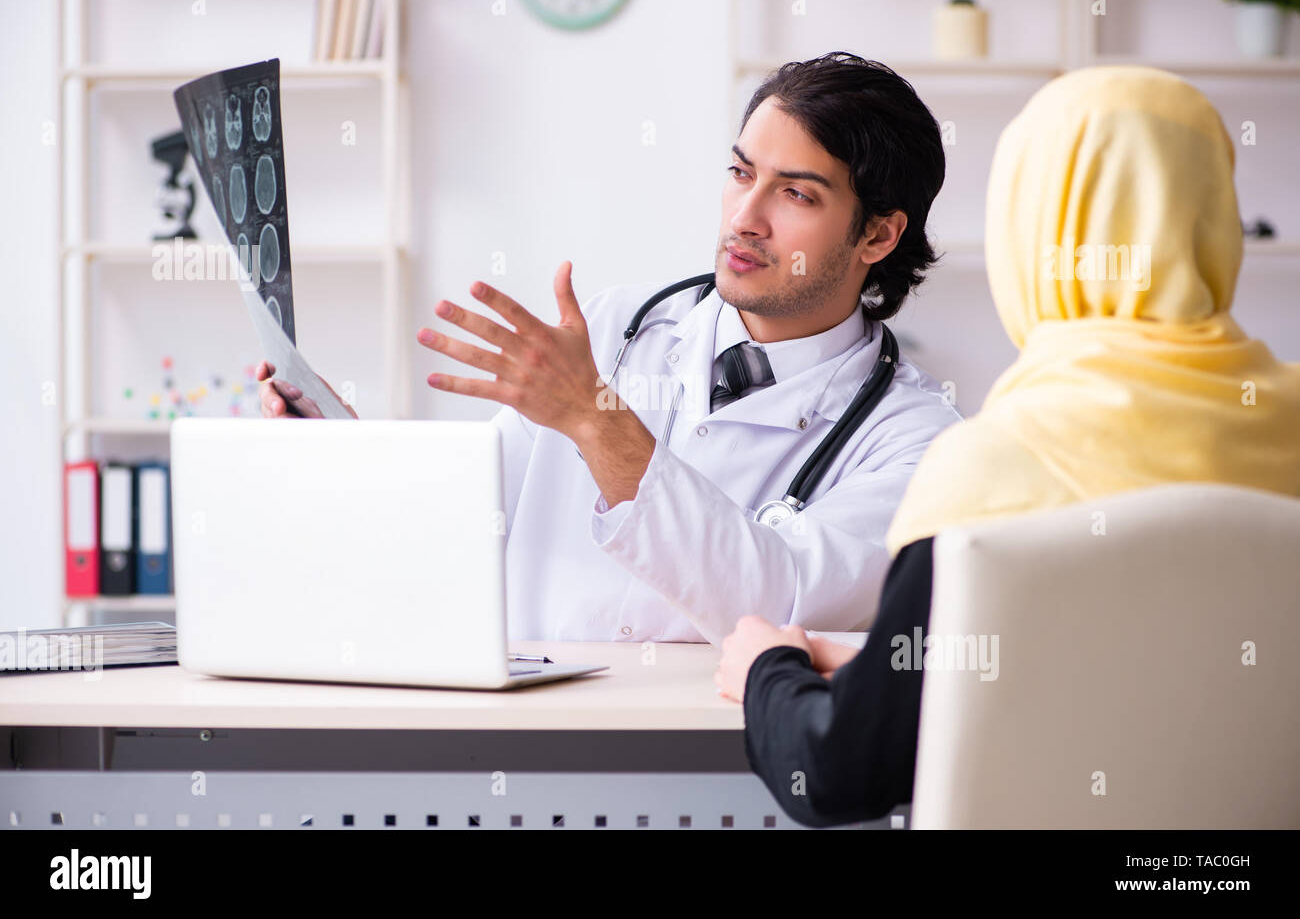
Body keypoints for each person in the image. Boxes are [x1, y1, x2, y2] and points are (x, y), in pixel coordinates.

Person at [716, 64, 1300, 826]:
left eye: (795, 190)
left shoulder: (995, 466)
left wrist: (770, 668)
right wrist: (891, 674)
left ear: (1031, 225)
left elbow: (842, 770)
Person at [260, 52, 961, 644]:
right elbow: (459, 521)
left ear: (877, 236)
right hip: (519, 742)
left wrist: (594, 420)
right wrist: (339, 450)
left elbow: (780, 598)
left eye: (797, 196)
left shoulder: (919, 441)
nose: (745, 219)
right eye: (742, 173)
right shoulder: (614, 331)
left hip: (723, 772)